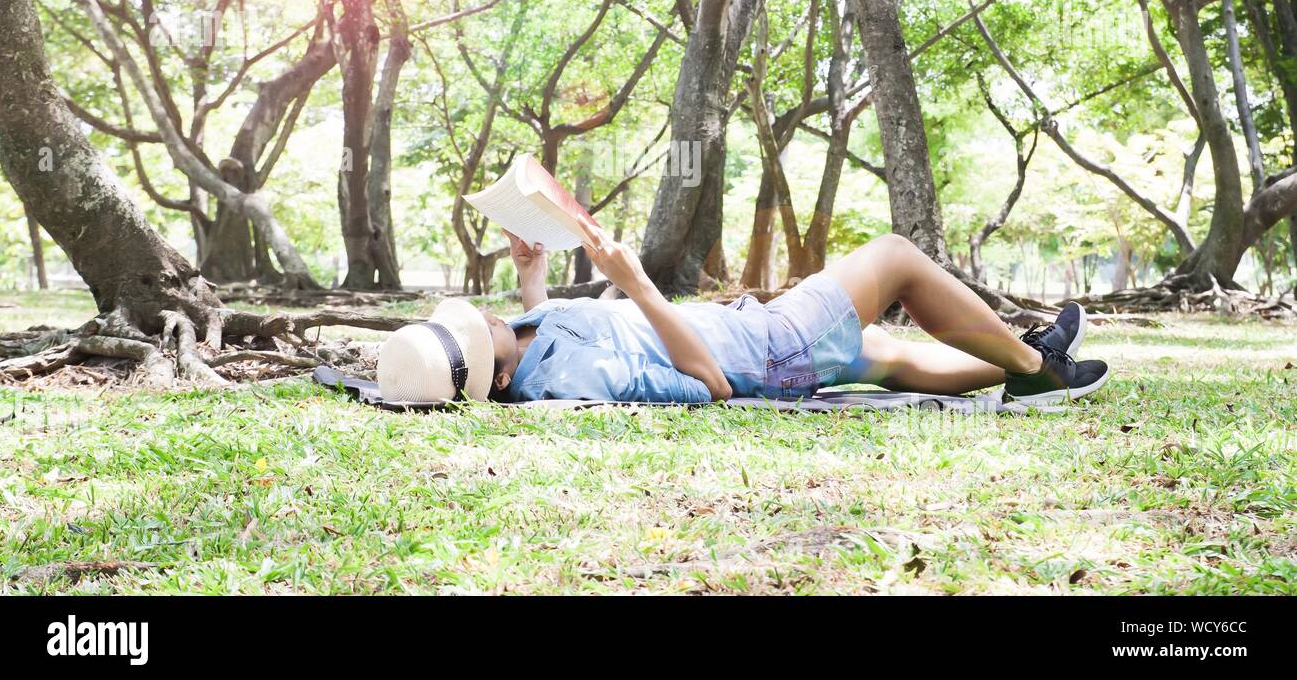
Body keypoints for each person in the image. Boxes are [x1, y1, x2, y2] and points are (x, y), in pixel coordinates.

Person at [378, 219, 1110, 406]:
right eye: (486, 335)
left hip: (764, 333)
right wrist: (636, 285)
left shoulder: (534, 345)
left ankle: (1017, 372)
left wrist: (532, 278)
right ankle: (1038, 362)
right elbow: (709, 384)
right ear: (497, 380)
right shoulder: (571, 379)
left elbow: (547, 341)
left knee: (891, 358)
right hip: (770, 350)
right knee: (893, 258)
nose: (492, 318)